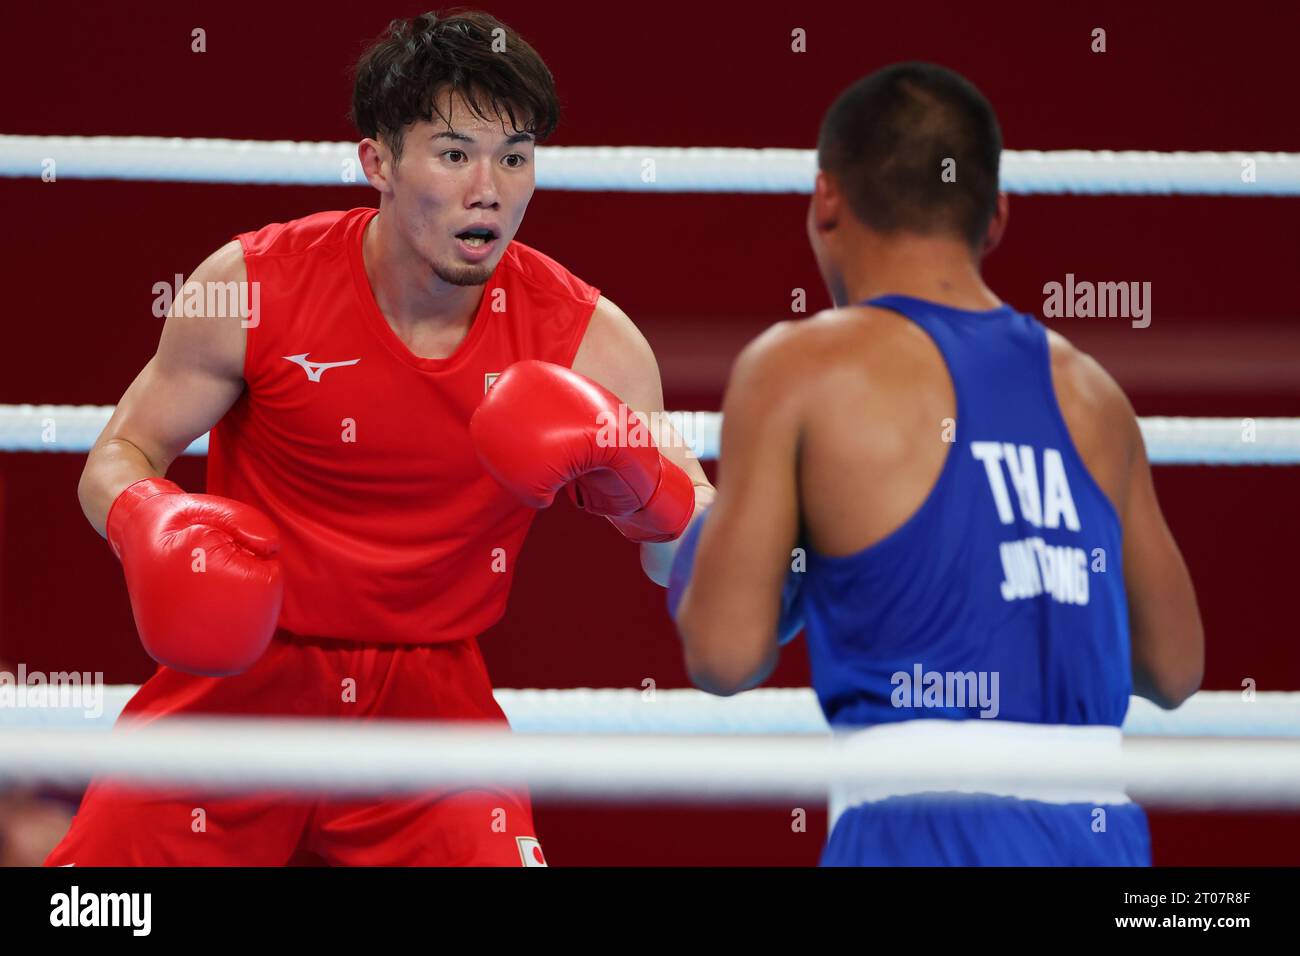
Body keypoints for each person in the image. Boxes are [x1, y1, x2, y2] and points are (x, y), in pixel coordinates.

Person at [48, 10, 710, 867]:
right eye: (453, 152)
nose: (490, 187)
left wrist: (644, 484)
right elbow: (121, 453)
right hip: (239, 682)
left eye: (515, 156)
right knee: (91, 910)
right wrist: (150, 520)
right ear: (379, 163)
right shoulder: (253, 284)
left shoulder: (588, 338)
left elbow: (690, 548)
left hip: (431, 708)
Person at [668, 62, 1203, 866]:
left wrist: (698, 535)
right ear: (995, 221)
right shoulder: (1096, 397)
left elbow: (722, 653)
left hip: (917, 833)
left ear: (826, 201)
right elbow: (1176, 667)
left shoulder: (799, 368)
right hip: (1103, 839)